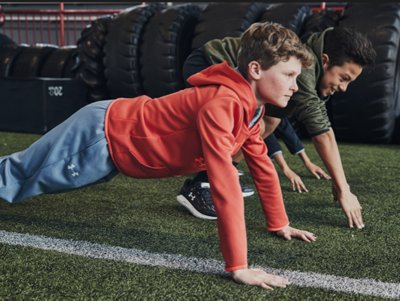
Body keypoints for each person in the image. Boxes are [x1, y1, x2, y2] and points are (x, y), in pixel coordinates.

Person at [0, 22, 316, 289]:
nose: (295, 86)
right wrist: (239, 266)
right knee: (16, 178)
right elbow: (224, 186)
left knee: (20, 176)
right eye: (289, 75)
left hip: (113, 144)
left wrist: (279, 223)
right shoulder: (223, 104)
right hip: (101, 135)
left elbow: (262, 167)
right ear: (256, 69)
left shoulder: (251, 111)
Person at [179, 26, 376, 229]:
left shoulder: (311, 67)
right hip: (208, 62)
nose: (343, 88)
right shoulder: (305, 70)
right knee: (237, 120)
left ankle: (227, 172)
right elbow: (322, 133)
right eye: (343, 78)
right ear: (325, 61)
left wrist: (338, 180)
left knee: (271, 121)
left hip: (235, 75)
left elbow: (319, 125)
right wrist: (343, 188)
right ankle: (200, 185)